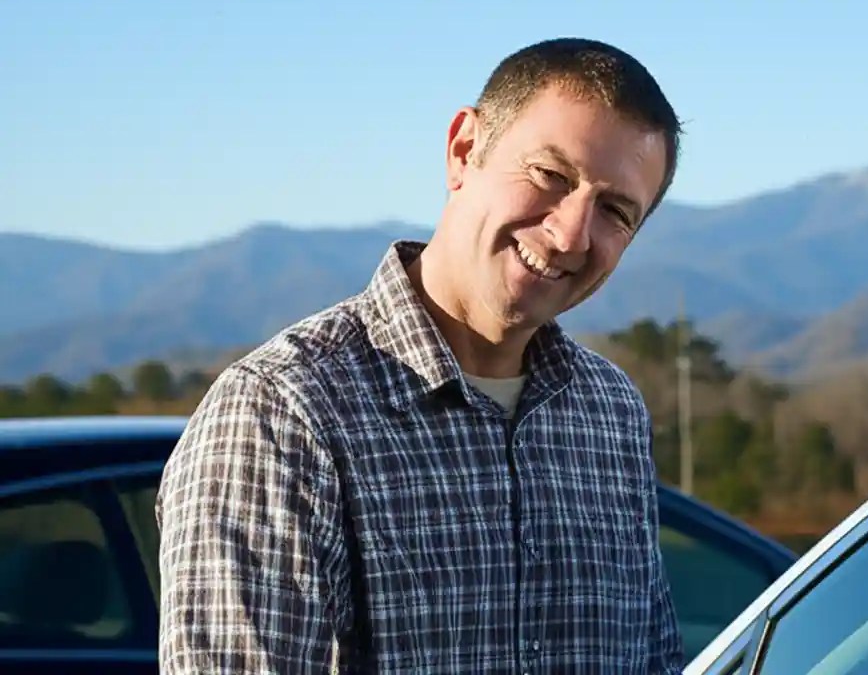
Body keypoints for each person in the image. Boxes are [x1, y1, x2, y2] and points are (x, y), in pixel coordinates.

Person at [156, 37, 685, 674]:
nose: (571, 233)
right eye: (551, 175)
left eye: (615, 210)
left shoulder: (609, 415)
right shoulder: (282, 416)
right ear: (464, 150)